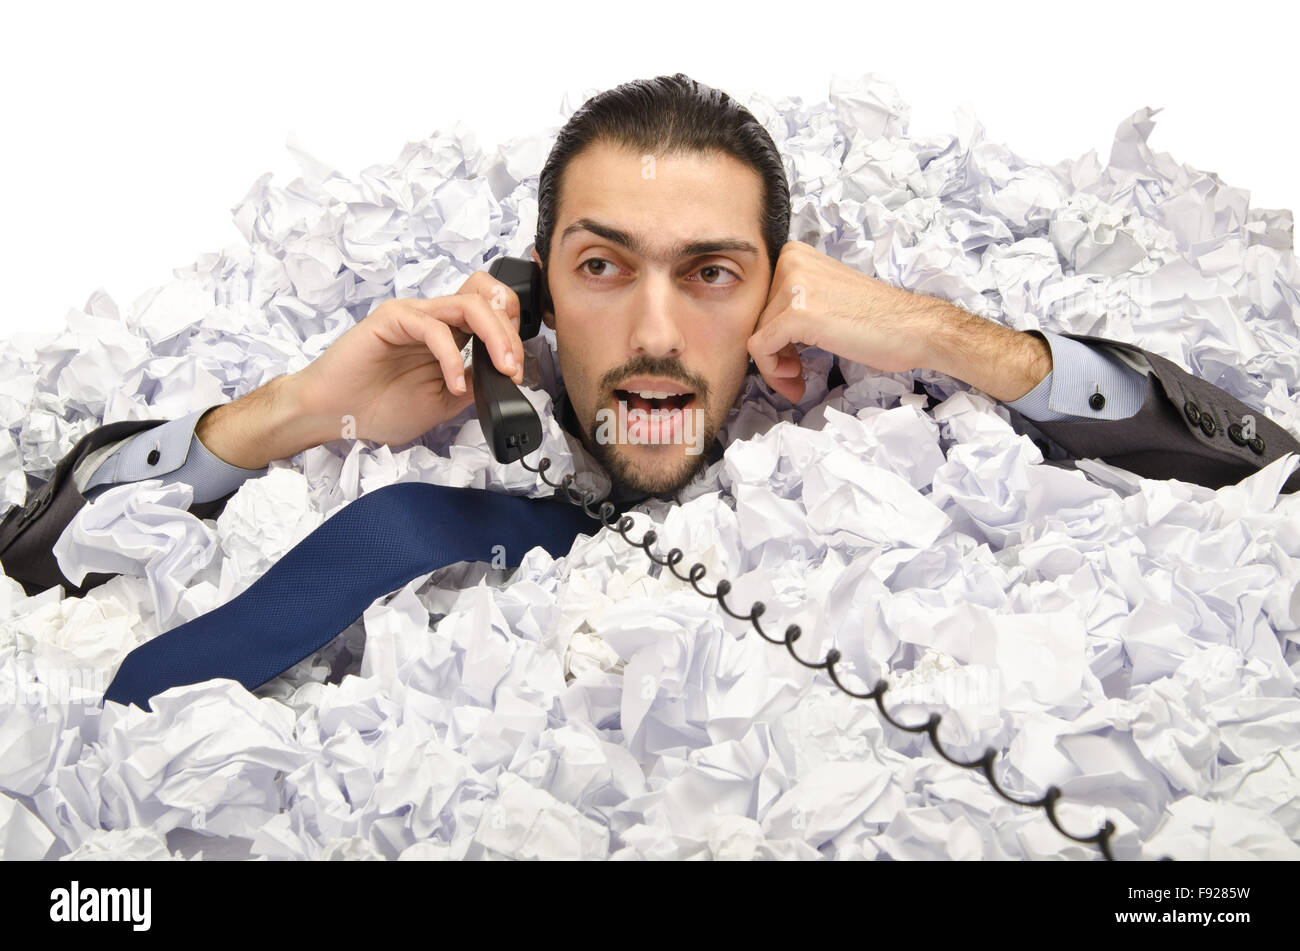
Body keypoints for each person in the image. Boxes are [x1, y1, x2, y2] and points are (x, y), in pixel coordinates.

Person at [3, 73, 1298, 598]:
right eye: (605, 269)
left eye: (713, 274)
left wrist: (951, 339)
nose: (659, 328)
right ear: (538, 296)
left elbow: (1267, 479)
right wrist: (288, 414)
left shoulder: (878, 426)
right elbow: (27, 581)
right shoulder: (404, 434)